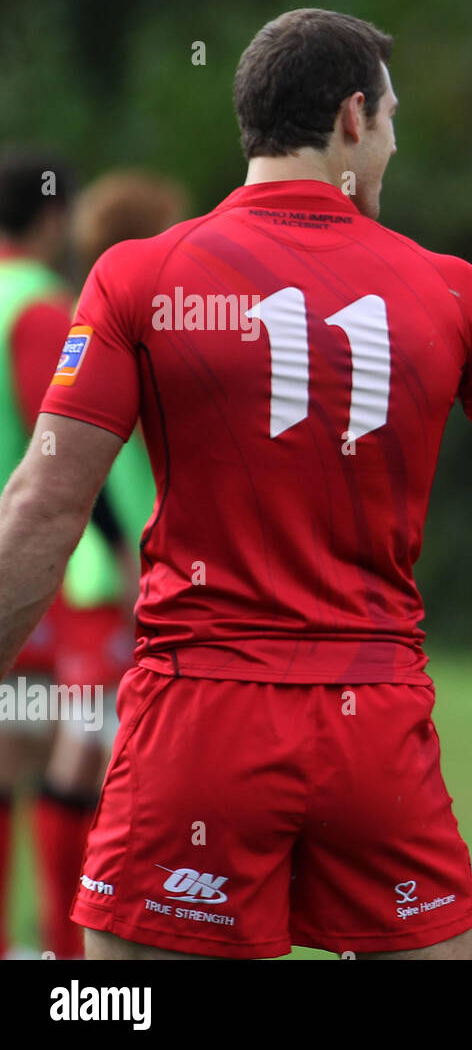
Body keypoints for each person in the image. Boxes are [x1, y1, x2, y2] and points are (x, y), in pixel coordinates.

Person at [0, 8, 472, 960]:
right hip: (372, 732)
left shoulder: (141, 276)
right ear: (348, 121)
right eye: (391, 120)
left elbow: (46, 503)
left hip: (198, 727)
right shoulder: (448, 289)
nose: (394, 145)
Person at [31, 170, 181, 960]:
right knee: (92, 745)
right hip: (103, 570)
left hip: (95, 564)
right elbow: (68, 460)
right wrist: (124, 551)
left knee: (88, 744)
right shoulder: (122, 319)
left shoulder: (108, 311)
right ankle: (66, 945)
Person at [0, 149, 78, 958]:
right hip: (33, 564)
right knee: (74, 743)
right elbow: (60, 454)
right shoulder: (40, 307)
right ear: (54, 218)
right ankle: (62, 951)